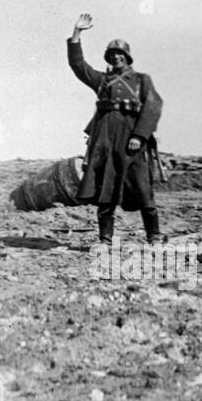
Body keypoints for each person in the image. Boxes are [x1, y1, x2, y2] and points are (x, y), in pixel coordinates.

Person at [67, 12, 163, 244]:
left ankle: (155, 235)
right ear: (108, 59)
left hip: (131, 139)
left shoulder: (142, 80)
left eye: (121, 54)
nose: (117, 58)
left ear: (127, 58)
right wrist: (77, 34)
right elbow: (78, 65)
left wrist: (140, 135)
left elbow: (153, 106)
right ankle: (105, 239)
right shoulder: (102, 81)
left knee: (141, 185)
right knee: (105, 187)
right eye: (113, 55)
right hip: (105, 140)